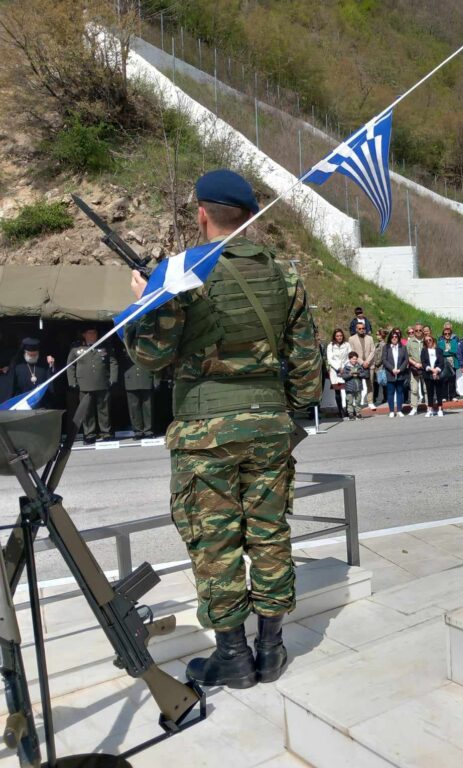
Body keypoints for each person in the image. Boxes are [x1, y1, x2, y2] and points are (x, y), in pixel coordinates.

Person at [124, 168, 323, 688]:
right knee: (270, 533)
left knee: (216, 542)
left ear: (202, 213)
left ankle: (233, 657)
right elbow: (307, 368)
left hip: (205, 429)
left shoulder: (183, 273)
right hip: (269, 425)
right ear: (250, 217)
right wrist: (288, 413)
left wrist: (145, 301)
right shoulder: (286, 274)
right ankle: (272, 649)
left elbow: (150, 356)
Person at [67, 327, 118, 444]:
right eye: (90, 333)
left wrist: (113, 378)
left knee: (104, 409)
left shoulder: (105, 345)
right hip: (84, 384)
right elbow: (70, 365)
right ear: (84, 334)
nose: (93, 335)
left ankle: (106, 432)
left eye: (95, 333)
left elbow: (113, 361)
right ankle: (89, 434)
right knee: (87, 410)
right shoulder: (77, 347)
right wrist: (72, 382)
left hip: (102, 382)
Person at [121, 343, 155, 439]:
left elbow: (155, 362)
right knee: (134, 408)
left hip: (146, 378)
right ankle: (138, 431)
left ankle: (148, 430)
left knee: (148, 407)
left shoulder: (148, 345)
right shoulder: (126, 345)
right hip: (130, 379)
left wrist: (156, 379)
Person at [11, 338, 56, 406]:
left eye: (35, 355)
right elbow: (12, 388)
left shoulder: (43, 366)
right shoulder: (18, 367)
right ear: (25, 353)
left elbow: (50, 386)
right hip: (22, 405)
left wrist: (52, 366)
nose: (32, 357)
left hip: (41, 404)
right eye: (30, 355)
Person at [381, 327, 408, 418]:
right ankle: (392, 411)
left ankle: (399, 410)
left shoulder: (403, 347)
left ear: (398, 337)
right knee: (390, 393)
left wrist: (400, 369)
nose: (394, 338)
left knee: (400, 392)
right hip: (390, 373)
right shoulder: (386, 347)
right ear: (390, 338)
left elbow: (406, 360)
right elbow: (384, 360)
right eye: (393, 337)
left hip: (400, 373)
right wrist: (392, 369)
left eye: (396, 336)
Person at [349, 321, 375, 410]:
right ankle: (357, 402)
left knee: (370, 384)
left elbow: (373, 351)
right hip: (358, 365)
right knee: (358, 384)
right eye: (359, 328)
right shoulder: (351, 339)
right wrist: (361, 362)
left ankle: (370, 401)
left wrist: (367, 361)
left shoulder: (370, 338)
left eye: (363, 328)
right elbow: (352, 352)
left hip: (369, 364)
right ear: (356, 329)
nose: (361, 330)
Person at [326, 329, 351, 419]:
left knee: (348, 390)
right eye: (337, 336)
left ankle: (348, 409)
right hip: (335, 371)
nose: (339, 337)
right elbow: (330, 359)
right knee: (338, 391)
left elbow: (350, 356)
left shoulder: (347, 345)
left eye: (340, 335)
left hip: (345, 369)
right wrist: (338, 368)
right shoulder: (330, 346)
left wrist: (345, 367)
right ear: (334, 337)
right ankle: (340, 410)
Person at [420, 335, 446, 417]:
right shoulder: (424, 351)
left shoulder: (439, 350)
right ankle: (430, 409)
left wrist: (436, 370)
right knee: (429, 392)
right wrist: (431, 370)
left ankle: (440, 409)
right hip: (428, 373)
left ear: (433, 340)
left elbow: (441, 362)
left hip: (438, 373)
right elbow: (423, 362)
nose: (428, 342)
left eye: (429, 340)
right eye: (426, 341)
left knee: (439, 392)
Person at [437, 324, 459, 403]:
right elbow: (441, 352)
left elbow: (455, 350)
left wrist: (447, 351)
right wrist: (449, 352)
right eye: (445, 334)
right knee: (444, 379)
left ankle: (452, 396)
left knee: (452, 379)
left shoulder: (454, 341)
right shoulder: (440, 342)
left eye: (449, 334)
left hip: (453, 363)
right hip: (444, 363)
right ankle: (444, 396)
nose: (447, 335)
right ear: (443, 335)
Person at [340, 352, 365, 419]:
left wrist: (359, 374)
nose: (354, 360)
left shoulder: (359, 367)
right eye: (353, 359)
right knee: (349, 401)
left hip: (358, 387)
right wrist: (350, 374)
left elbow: (364, 374)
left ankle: (358, 413)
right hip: (349, 387)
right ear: (350, 359)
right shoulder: (346, 367)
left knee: (358, 401)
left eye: (356, 359)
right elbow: (344, 376)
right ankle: (350, 414)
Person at [406, 323, 425, 412]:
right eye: (416, 330)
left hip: (425, 367)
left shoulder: (426, 340)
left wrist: (423, 364)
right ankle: (414, 407)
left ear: (422, 331)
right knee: (414, 389)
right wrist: (414, 363)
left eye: (420, 330)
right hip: (414, 367)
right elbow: (407, 355)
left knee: (426, 388)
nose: (418, 332)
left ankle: (429, 407)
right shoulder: (410, 342)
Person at [370, 327, 388, 409]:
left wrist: (376, 364)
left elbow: (381, 356)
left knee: (382, 382)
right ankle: (375, 397)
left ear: (382, 335)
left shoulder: (383, 344)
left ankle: (385, 398)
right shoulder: (377, 344)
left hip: (380, 366)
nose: (376, 336)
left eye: (378, 334)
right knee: (375, 383)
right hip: (376, 366)